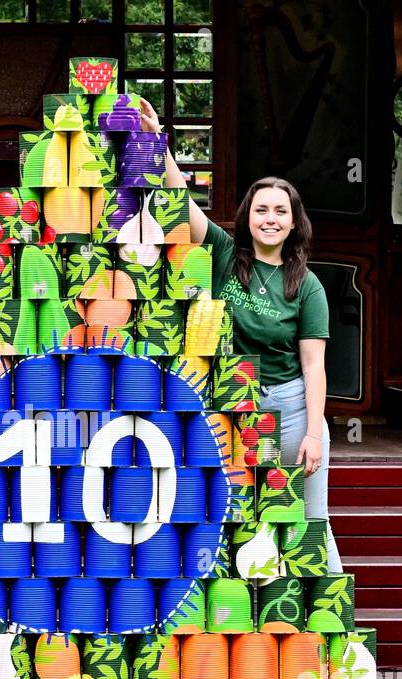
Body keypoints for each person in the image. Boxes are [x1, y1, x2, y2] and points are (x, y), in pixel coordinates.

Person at [140, 101, 343, 573]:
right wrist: (157, 141)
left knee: (311, 521)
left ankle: (336, 629)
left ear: (294, 222)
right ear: (247, 217)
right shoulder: (226, 254)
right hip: (234, 410)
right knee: (242, 522)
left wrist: (313, 433)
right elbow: (181, 199)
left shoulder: (307, 285)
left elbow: (314, 365)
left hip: (290, 411)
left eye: (280, 211)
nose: (270, 218)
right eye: (261, 209)